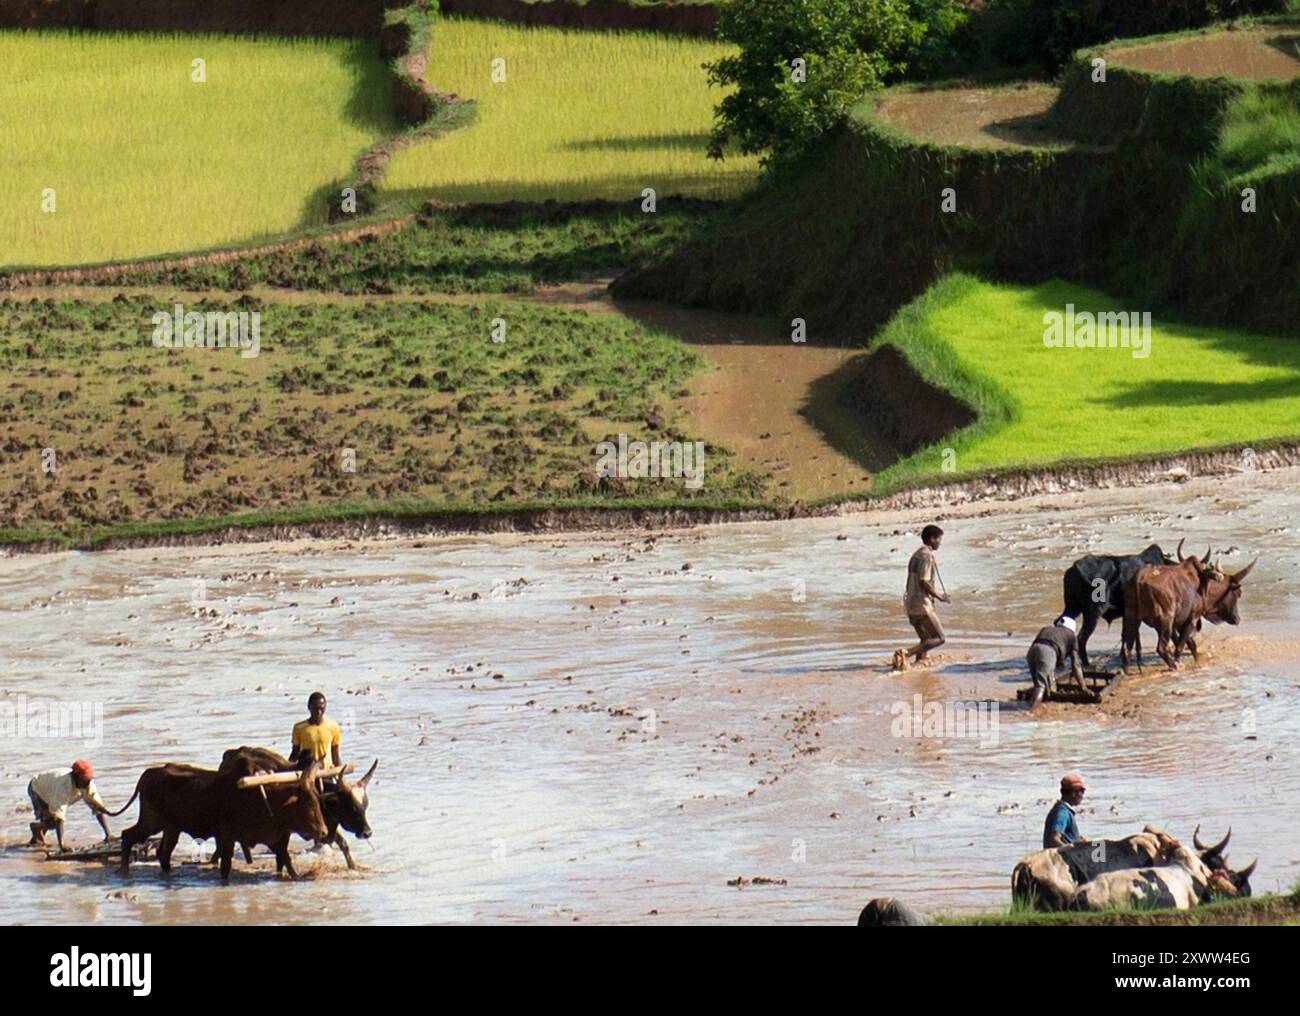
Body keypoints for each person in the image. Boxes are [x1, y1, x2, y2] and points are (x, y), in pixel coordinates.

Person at [893, 524, 950, 671]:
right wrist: (939, 596)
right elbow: (923, 581)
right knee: (939, 638)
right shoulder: (926, 556)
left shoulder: (916, 554)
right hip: (921, 604)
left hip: (910, 604)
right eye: (939, 539)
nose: (940, 542)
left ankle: (918, 670)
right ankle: (906, 654)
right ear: (932, 539)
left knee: (925, 640)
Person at [27, 760, 113, 850]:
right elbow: (59, 817)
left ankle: (35, 840)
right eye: (84, 780)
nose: (87, 783)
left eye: (88, 779)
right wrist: (62, 845)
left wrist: (109, 834)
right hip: (38, 789)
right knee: (52, 820)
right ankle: (37, 828)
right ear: (75, 777)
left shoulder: (87, 784)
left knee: (50, 821)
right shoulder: (64, 787)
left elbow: (98, 806)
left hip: (51, 786)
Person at [1026, 615, 1086, 710]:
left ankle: (1041, 706)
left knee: (1039, 683)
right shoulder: (1071, 636)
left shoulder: (1047, 629)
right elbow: (1076, 665)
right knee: (1041, 686)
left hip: (1032, 651)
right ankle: (1031, 712)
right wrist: (1083, 688)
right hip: (1048, 651)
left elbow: (1040, 645)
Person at [289, 691, 342, 768]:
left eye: (321, 708)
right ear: (309, 707)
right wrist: (286, 769)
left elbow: (335, 755)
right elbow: (295, 753)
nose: (319, 712)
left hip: (326, 772)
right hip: (306, 772)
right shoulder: (299, 728)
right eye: (316, 708)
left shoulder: (333, 727)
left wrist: (340, 772)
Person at [1043, 774, 1088, 849]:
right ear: (1074, 793)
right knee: (1101, 854)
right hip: (1061, 858)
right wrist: (1071, 852)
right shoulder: (1062, 813)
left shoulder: (1060, 809)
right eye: (1082, 792)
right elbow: (1054, 839)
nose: (1083, 796)